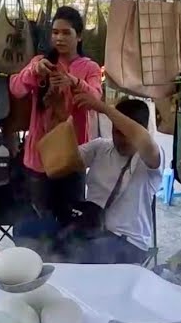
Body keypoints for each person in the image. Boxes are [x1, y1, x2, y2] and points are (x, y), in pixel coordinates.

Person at [8, 5, 102, 225]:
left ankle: (69, 258)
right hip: (39, 157)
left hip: (73, 155)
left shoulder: (90, 68)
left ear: (78, 37)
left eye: (66, 33)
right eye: (55, 32)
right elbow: (16, 88)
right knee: (44, 219)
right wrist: (33, 72)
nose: (59, 38)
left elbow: (96, 99)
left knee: (73, 218)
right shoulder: (42, 62)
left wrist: (74, 82)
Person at [64, 96, 163, 264]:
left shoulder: (151, 156)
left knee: (80, 256)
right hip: (91, 230)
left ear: (142, 130)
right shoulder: (100, 147)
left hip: (129, 243)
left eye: (127, 134)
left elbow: (145, 142)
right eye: (117, 132)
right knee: (33, 233)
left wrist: (105, 109)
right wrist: (60, 116)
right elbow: (64, 159)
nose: (121, 140)